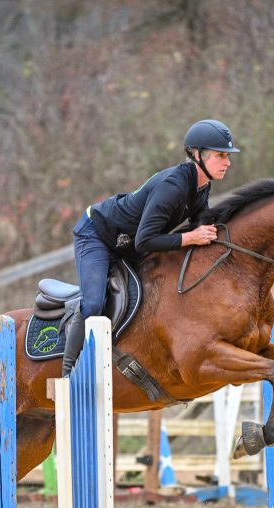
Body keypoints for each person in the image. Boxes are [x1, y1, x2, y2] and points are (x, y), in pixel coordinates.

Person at [61, 119, 241, 376]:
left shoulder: (201, 186)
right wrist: (190, 237)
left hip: (129, 244)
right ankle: (67, 372)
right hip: (97, 233)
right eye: (221, 155)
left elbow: (202, 222)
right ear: (198, 155)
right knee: (93, 304)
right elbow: (144, 241)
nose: (228, 162)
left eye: (228, 155)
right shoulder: (173, 186)